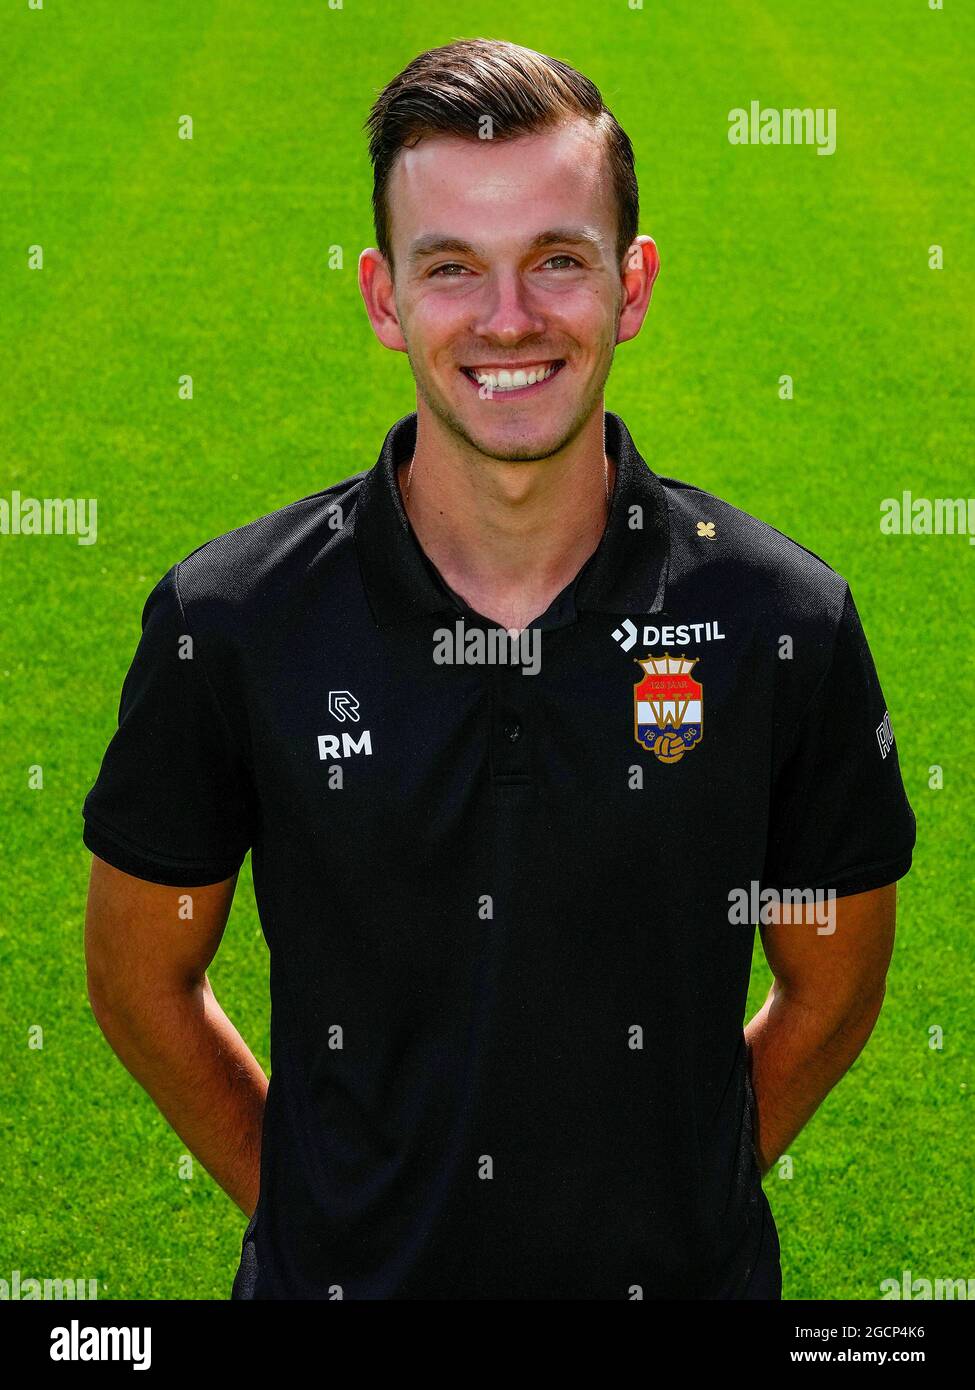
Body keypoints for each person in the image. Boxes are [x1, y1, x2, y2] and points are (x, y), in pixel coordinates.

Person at [83, 38, 916, 1300]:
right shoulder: (232, 620)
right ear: (383, 297)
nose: (509, 319)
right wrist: (318, 1211)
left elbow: (834, 982)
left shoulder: (780, 618)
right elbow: (142, 978)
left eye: (559, 261)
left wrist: (685, 1195)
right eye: (453, 268)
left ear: (631, 287)